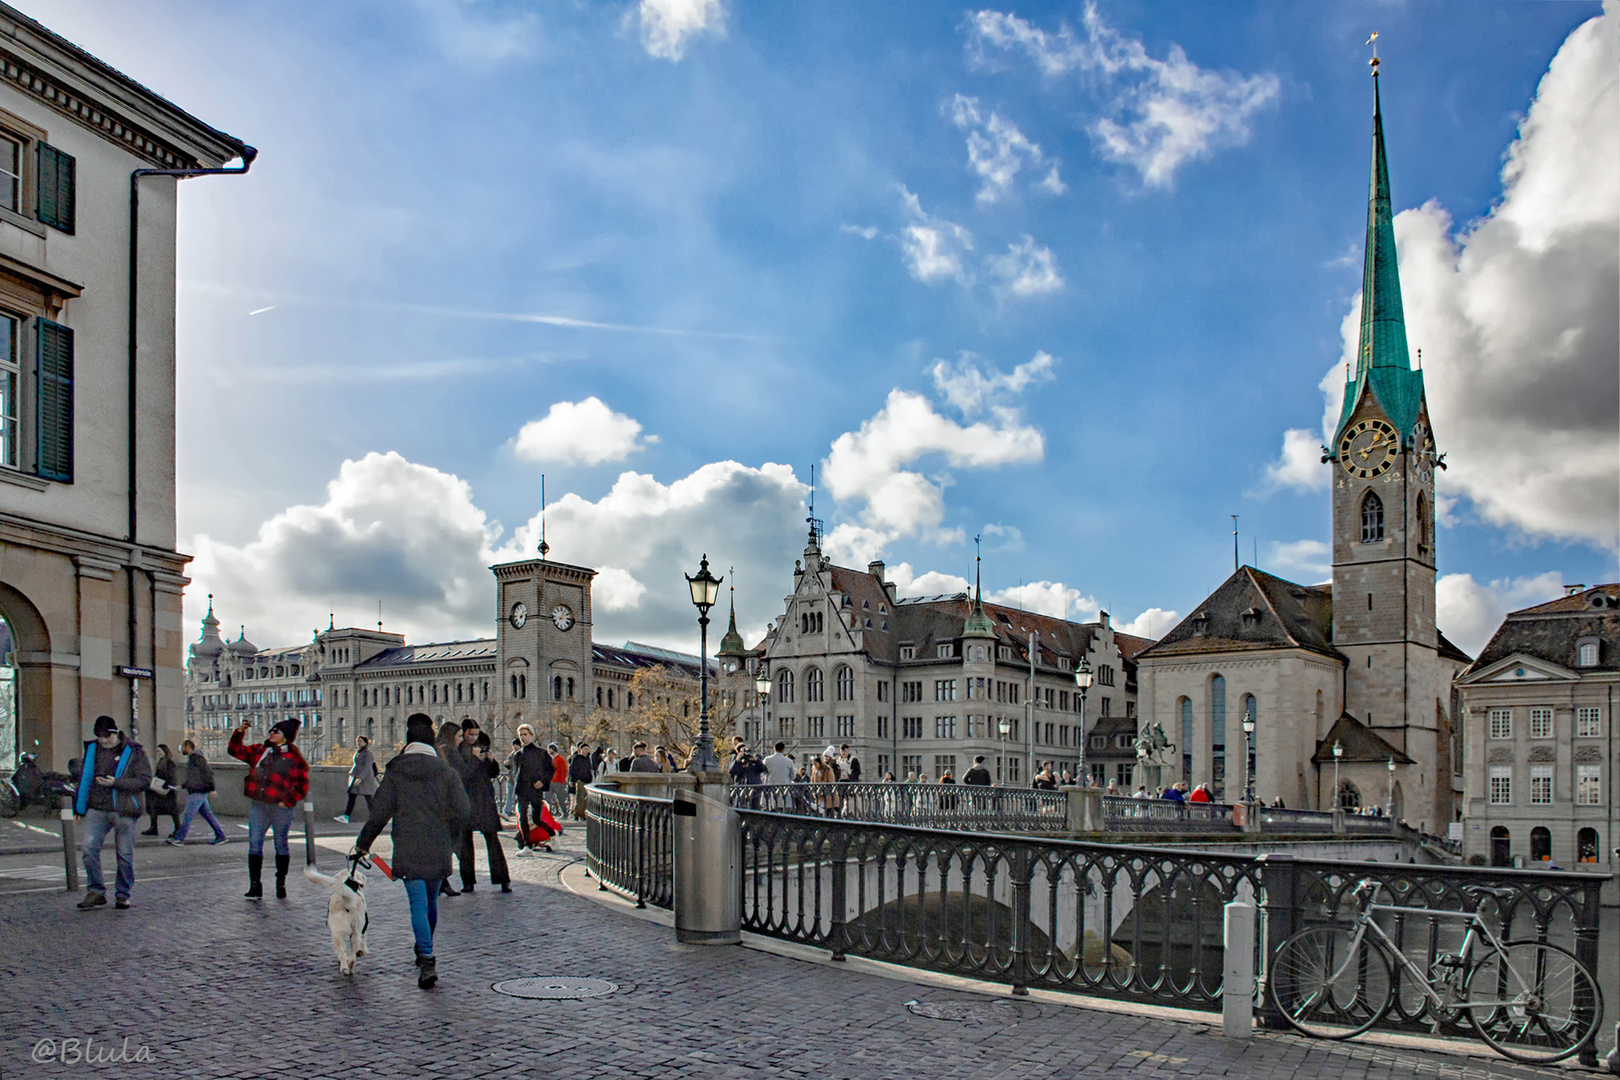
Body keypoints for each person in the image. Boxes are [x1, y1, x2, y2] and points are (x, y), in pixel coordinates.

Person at [354, 713, 470, 989]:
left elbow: (379, 813)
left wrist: (363, 844)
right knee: (430, 902)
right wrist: (451, 837)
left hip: (407, 843)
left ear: (408, 741)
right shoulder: (446, 772)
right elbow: (463, 810)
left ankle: (426, 957)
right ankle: (424, 949)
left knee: (417, 902)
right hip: (438, 843)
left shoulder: (396, 771)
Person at [72, 715, 152, 910]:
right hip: (97, 808)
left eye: (107, 736)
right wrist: (79, 808)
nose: (104, 740)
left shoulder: (134, 751)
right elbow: (85, 779)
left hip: (124, 810)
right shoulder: (92, 749)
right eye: (100, 736)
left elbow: (144, 781)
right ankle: (96, 892)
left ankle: (123, 894)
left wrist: (116, 782)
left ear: (116, 733)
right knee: (89, 849)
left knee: (124, 854)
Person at [228, 718, 310, 900]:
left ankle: (280, 883)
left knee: (280, 843)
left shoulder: (293, 758)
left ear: (285, 737)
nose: (271, 733)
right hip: (259, 805)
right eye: (271, 730)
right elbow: (235, 750)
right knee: (254, 842)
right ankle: (255, 886)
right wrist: (240, 732)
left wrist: (286, 801)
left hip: (281, 808)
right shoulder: (260, 751)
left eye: (276, 731)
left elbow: (301, 785)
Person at [457, 731, 511, 893]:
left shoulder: (483, 756)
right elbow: (465, 775)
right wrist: (474, 759)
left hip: (485, 802)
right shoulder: (461, 755)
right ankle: (468, 882)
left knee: (493, 841)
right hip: (467, 801)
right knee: (466, 843)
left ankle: (503, 879)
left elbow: (494, 773)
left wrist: (491, 761)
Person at [167, 739, 228, 845]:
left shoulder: (196, 758)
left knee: (187, 815)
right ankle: (221, 836)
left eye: (183, 747)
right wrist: (182, 786)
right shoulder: (194, 759)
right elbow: (194, 777)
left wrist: (212, 789)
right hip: (199, 791)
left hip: (198, 791)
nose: (182, 749)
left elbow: (208, 773)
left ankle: (179, 838)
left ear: (188, 747)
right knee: (208, 815)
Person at [511, 725, 550, 856]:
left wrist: (542, 781)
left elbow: (549, 770)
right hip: (522, 789)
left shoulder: (541, 753)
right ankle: (527, 845)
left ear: (532, 735)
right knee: (522, 817)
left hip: (535, 789)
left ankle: (552, 834)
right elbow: (517, 773)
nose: (523, 737)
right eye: (521, 735)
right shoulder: (518, 754)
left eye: (525, 734)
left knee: (536, 819)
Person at [335, 735, 379, 823]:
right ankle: (346, 816)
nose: (358, 743)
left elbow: (367, 767)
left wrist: (360, 778)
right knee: (352, 796)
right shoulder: (359, 751)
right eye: (357, 741)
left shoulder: (367, 753)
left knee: (368, 798)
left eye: (360, 741)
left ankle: (375, 818)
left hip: (364, 779)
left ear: (365, 742)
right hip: (357, 777)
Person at [142, 744, 180, 837]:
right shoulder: (163, 761)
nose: (158, 753)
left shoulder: (169, 762)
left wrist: (167, 785)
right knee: (155, 808)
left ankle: (177, 828)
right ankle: (154, 827)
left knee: (171, 810)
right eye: (157, 751)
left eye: (159, 751)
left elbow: (171, 776)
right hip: (162, 788)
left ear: (165, 751)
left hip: (166, 789)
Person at [567, 743, 594, 821]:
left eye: (588, 749)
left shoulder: (588, 758)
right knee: (580, 798)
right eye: (585, 749)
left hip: (587, 780)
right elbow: (572, 769)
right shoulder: (576, 758)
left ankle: (583, 814)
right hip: (580, 780)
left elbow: (589, 769)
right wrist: (572, 780)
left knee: (586, 798)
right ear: (580, 749)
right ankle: (577, 813)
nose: (586, 751)